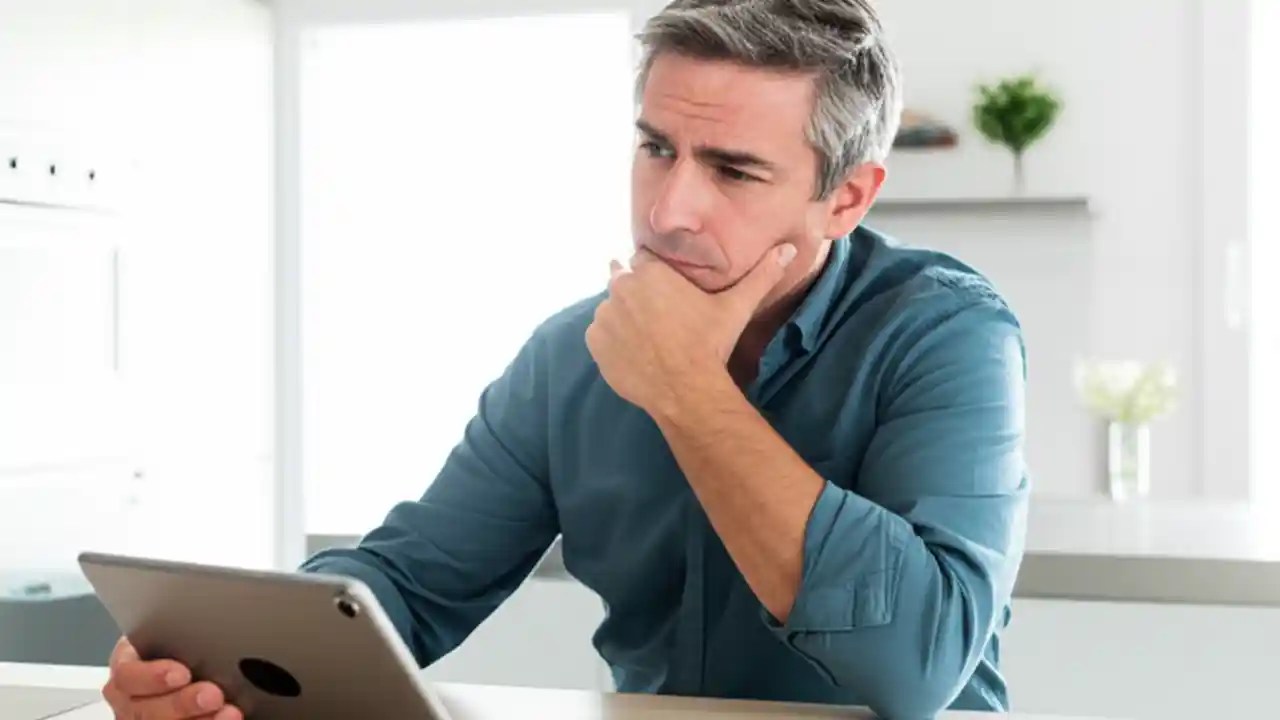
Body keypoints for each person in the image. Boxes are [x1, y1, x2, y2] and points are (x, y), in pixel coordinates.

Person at [101, 1, 1029, 718]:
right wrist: (213, 663)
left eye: (734, 171)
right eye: (656, 148)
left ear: (847, 198)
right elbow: (413, 584)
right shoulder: (570, 354)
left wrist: (688, 394)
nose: (668, 211)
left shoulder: (947, 334)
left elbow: (918, 669)